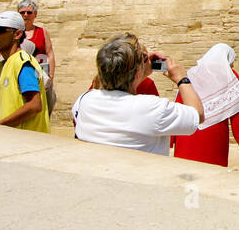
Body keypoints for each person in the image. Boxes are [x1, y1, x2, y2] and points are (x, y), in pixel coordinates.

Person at [71, 33, 203, 155]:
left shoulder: (84, 101)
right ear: (137, 74)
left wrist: (140, 70)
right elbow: (197, 115)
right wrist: (182, 79)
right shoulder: (152, 108)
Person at [173, 44, 239, 167]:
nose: (232, 65)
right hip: (215, 135)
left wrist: (171, 138)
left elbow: (179, 105)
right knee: (212, 170)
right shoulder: (230, 76)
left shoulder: (191, 74)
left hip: (188, 131)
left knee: (185, 169)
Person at [0, 10, 50, 133]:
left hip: (27, 142)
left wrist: (0, 125)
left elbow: (34, 105)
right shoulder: (7, 63)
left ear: (17, 34)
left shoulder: (23, 63)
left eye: (0, 30)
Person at [17, 0, 55, 82]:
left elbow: (49, 54)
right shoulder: (13, 33)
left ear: (35, 14)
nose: (25, 15)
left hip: (40, 75)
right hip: (18, 74)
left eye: (29, 12)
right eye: (22, 12)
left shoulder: (42, 32)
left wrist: (51, 76)